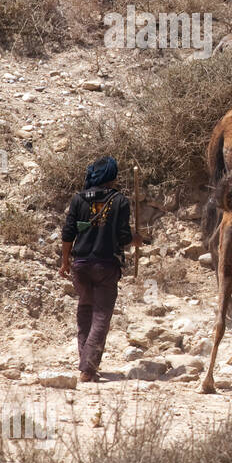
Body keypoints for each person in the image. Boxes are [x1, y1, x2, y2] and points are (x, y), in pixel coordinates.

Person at [59, 156, 139, 382]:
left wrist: (65, 262)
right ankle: (88, 368)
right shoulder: (120, 201)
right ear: (111, 176)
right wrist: (136, 239)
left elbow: (68, 233)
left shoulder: (78, 199)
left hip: (80, 266)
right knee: (101, 316)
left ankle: (85, 361)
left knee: (85, 310)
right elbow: (123, 237)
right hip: (106, 266)